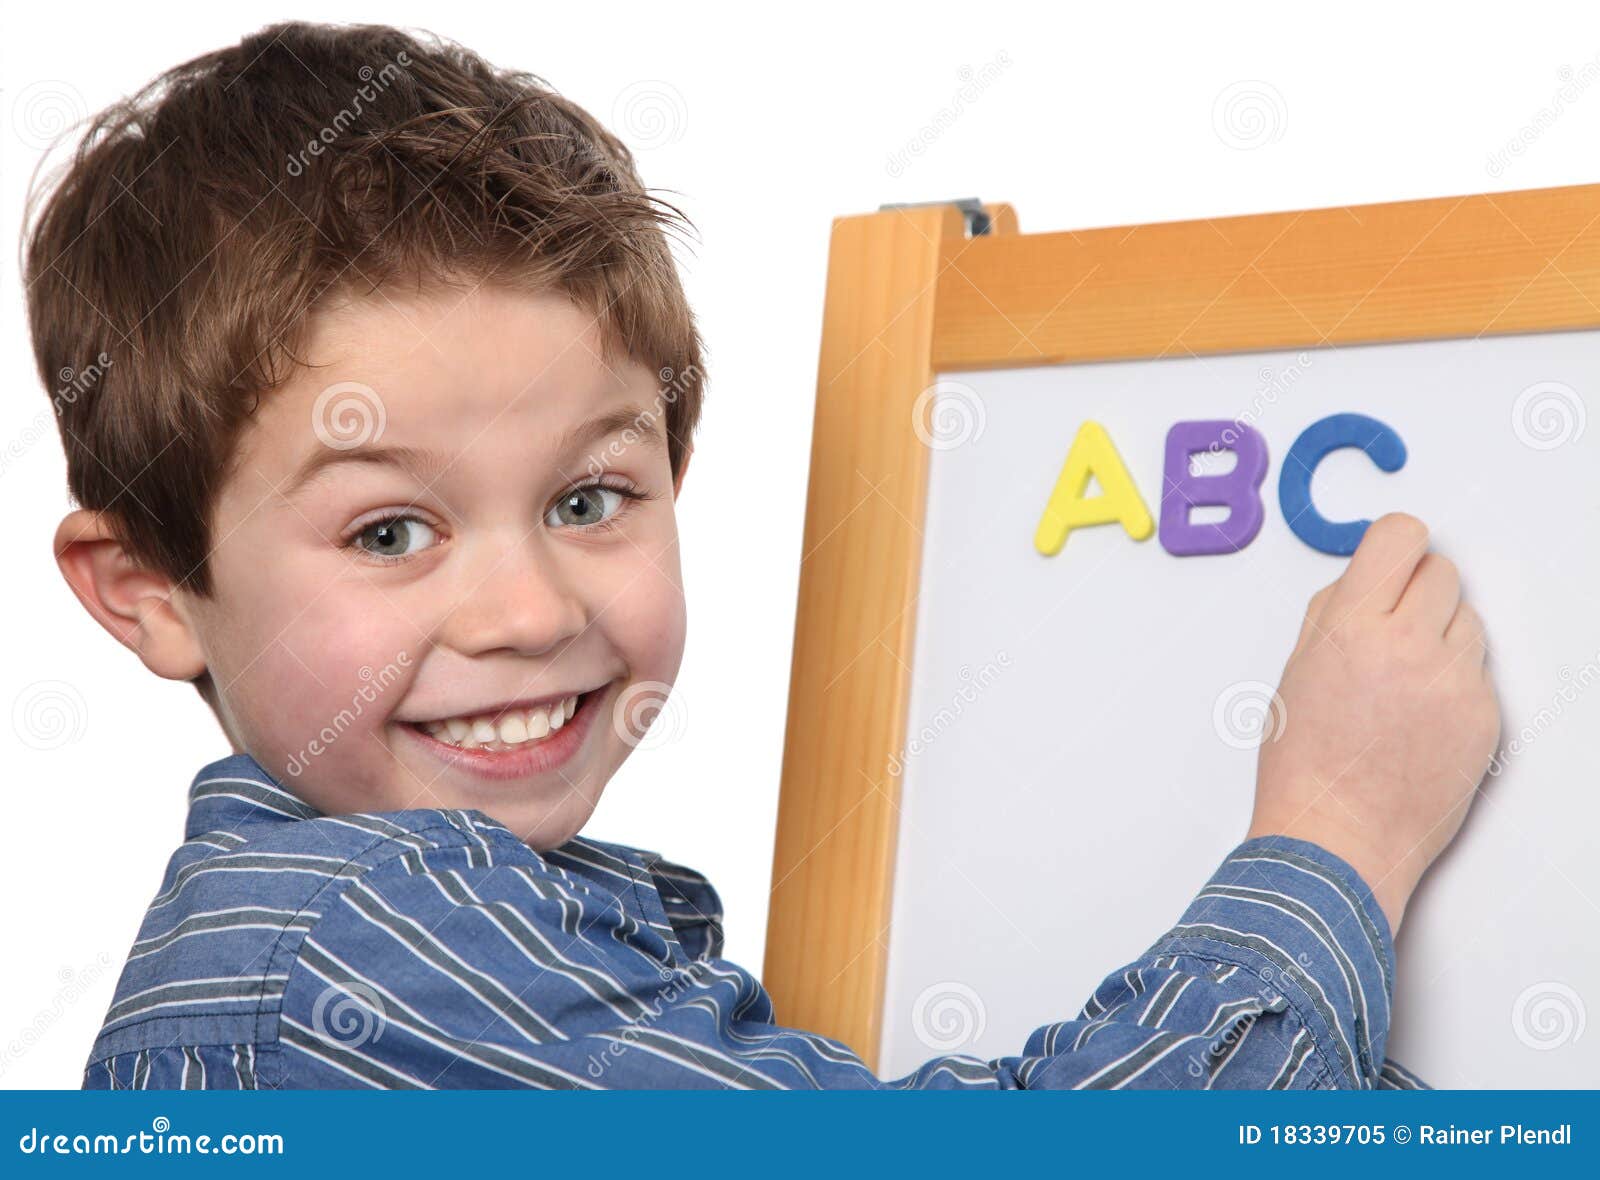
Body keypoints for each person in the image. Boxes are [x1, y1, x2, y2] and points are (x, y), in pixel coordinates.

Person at [24, 21, 1499, 1089]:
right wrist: (1340, 838)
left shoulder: (436, 942)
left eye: (590, 498)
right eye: (390, 531)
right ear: (148, 589)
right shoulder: (370, 955)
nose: (531, 610)